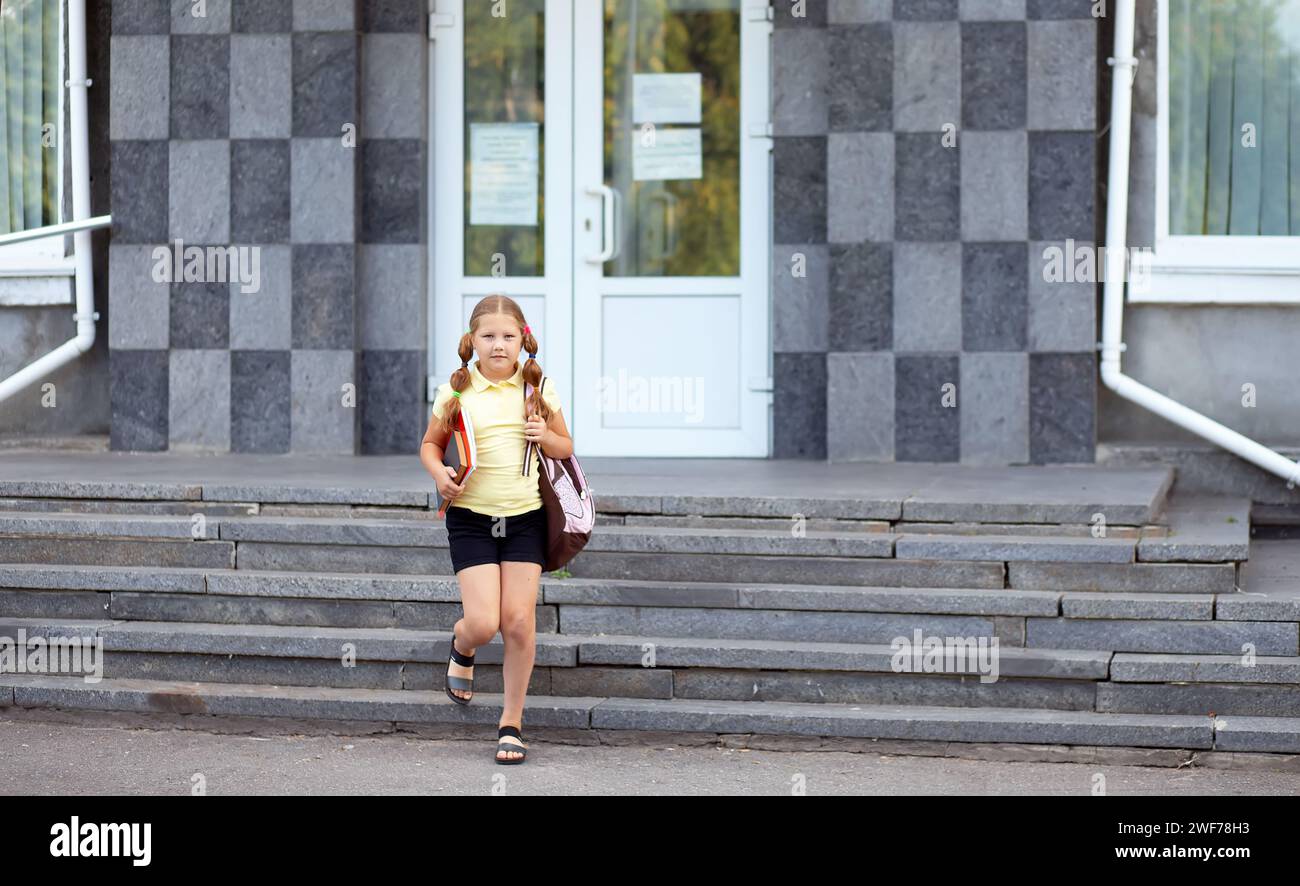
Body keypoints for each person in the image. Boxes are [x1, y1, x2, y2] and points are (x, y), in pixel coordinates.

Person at [419, 295, 573, 764]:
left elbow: (566, 447)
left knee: (519, 622)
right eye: (488, 336)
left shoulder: (538, 389)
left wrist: (544, 437)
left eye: (508, 336)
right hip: (471, 519)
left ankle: (511, 723)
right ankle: (462, 644)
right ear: (472, 341)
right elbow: (430, 445)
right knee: (484, 623)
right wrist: (437, 472)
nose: (499, 345)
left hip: (525, 518)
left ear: (523, 340)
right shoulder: (456, 393)